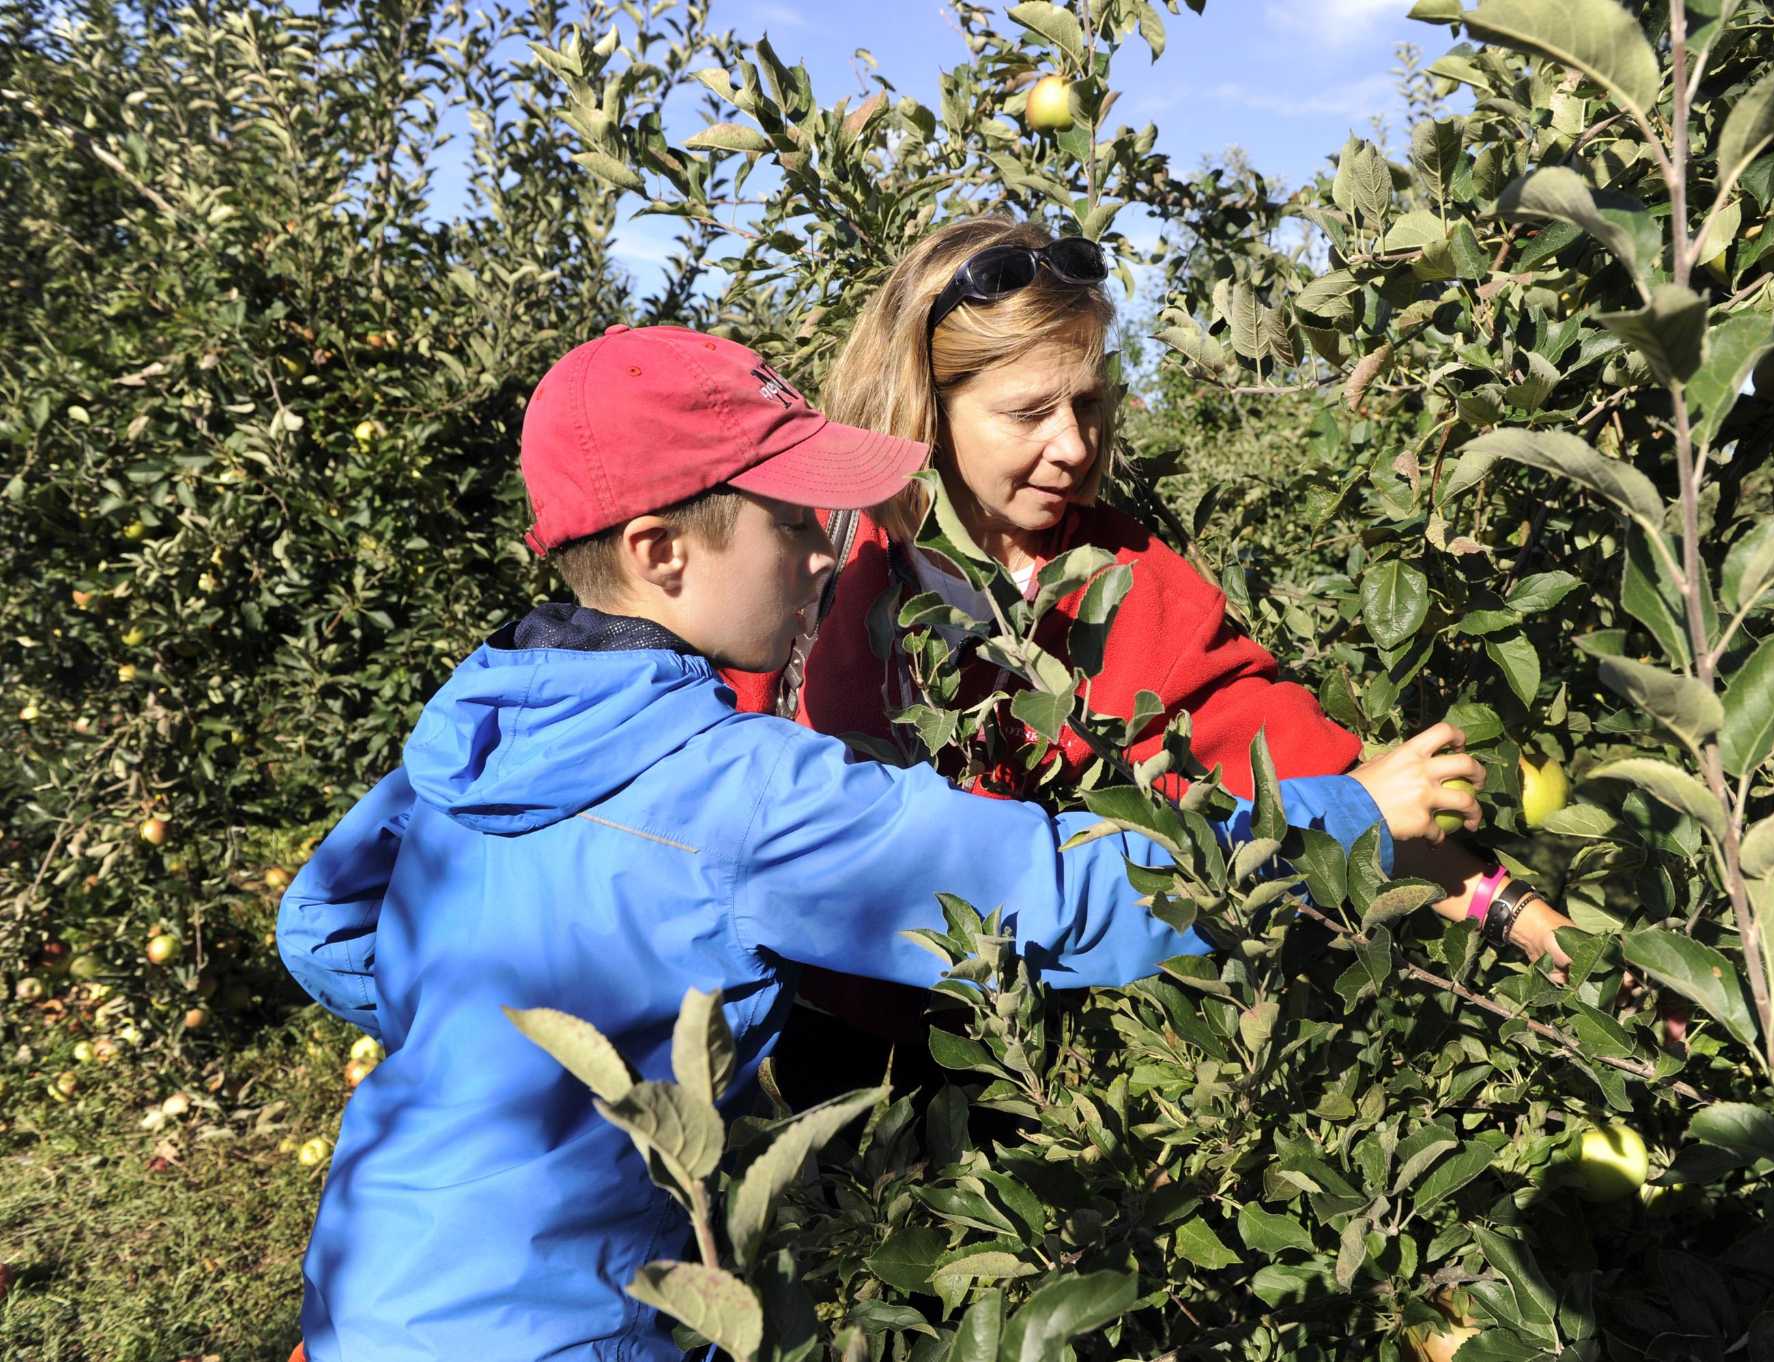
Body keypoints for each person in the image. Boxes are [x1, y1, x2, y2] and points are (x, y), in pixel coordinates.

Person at [274, 324, 1475, 1362]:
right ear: (660, 551)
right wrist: (1352, 812)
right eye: (789, 520)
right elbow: (1051, 900)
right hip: (555, 1326)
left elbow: (318, 924)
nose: (818, 549)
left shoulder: (477, 724)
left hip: (370, 1277)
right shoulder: (735, 793)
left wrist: (498, 1054)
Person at [723, 218, 1574, 1048]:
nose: (1074, 446)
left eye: (1089, 403)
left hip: (1024, 1061)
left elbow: (1303, 763)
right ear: (923, 412)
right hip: (812, 1028)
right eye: (1028, 413)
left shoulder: (1123, 575)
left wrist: (1517, 912)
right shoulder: (812, 558)